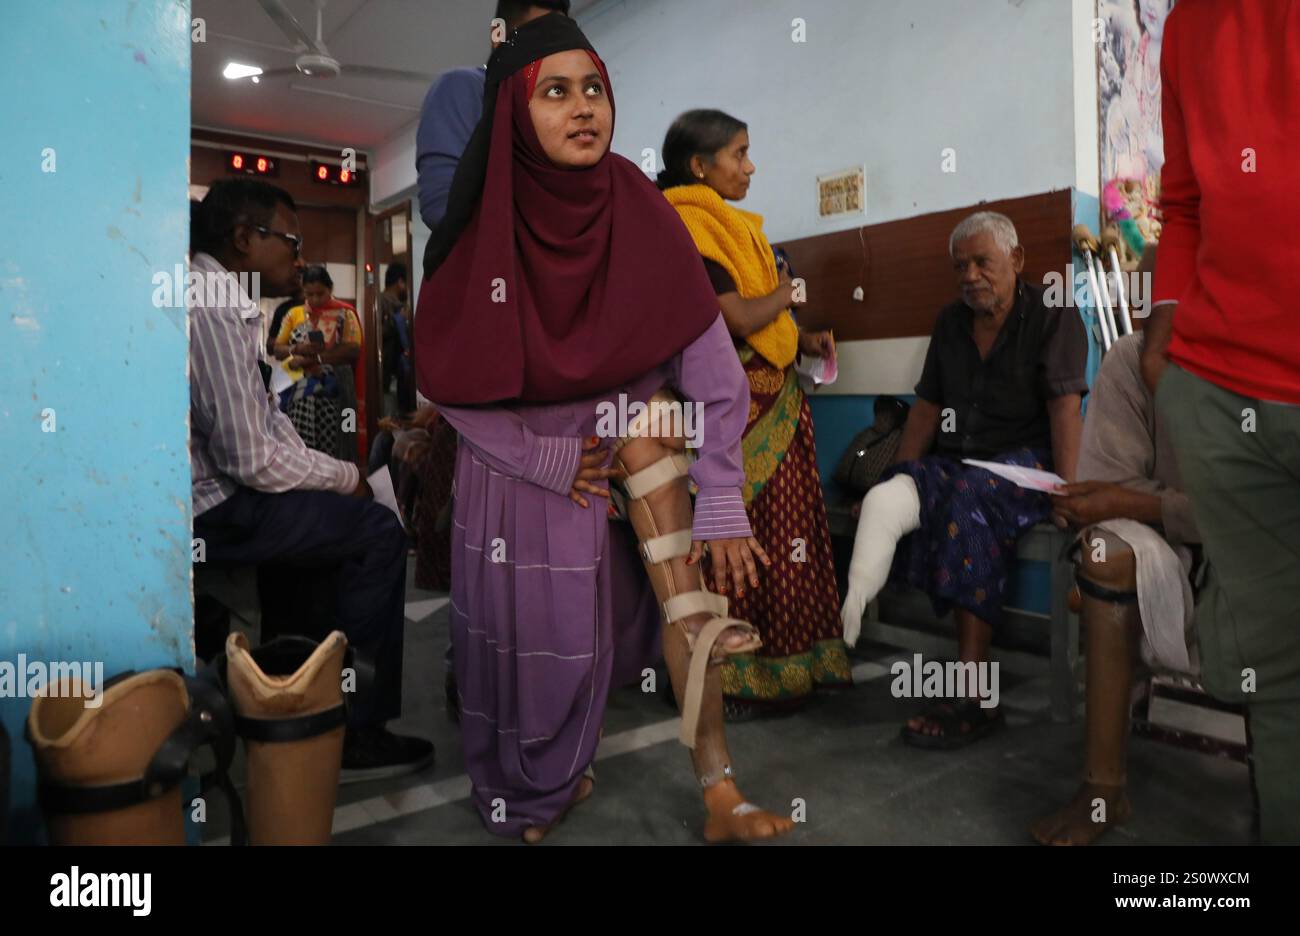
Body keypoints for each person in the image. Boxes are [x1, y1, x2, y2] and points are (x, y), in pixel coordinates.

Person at [414, 12, 794, 843]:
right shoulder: (483, 224)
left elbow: (712, 367)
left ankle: (721, 793)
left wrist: (722, 496)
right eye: (555, 92)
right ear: (515, 108)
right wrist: (543, 457)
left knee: (687, 591)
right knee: (532, 640)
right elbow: (450, 381)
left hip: (625, 414)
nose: (583, 108)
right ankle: (532, 781)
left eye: (594, 89)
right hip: (519, 450)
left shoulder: (638, 204)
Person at [189, 179, 432, 779]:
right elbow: (250, 458)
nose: (300, 260)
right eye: (291, 242)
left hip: (227, 493)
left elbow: (271, 425)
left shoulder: (224, 299)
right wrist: (347, 476)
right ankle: (359, 727)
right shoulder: (213, 305)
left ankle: (292, 701)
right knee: (376, 531)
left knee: (324, 535)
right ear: (245, 238)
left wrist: (326, 477)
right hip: (215, 507)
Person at [1140, 0, 1300, 844]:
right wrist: (1168, 334)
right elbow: (1186, 200)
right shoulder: (1188, 23)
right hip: (1222, 394)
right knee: (1278, 680)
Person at [840, 211, 1088, 747]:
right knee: (901, 493)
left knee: (967, 499)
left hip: (1028, 466)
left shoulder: (1053, 314)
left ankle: (975, 697)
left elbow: (1066, 408)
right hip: (964, 464)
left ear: (1016, 260)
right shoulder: (951, 322)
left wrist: (1069, 493)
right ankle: (854, 614)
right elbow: (926, 410)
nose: (970, 275)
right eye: (960, 266)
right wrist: (899, 477)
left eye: (982, 262)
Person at [658, 110, 850, 717]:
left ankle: (795, 662)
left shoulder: (734, 227)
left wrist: (804, 337)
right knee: (743, 543)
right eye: (739, 154)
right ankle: (739, 678)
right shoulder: (691, 227)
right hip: (734, 417)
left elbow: (763, 331)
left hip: (775, 401)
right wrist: (787, 290)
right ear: (699, 166)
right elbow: (736, 320)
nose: (750, 165)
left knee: (785, 536)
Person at [1030, 332, 1202, 844]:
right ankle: (1103, 790)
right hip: (1176, 542)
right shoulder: (1131, 357)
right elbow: (1108, 481)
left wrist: (1140, 503)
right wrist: (1127, 505)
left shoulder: (1264, 358)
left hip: (1263, 551)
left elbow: (1256, 504)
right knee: (1105, 553)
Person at [416, 0, 572, 231]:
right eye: (536, 38)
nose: (548, 51)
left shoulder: (554, 108)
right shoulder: (464, 87)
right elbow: (443, 208)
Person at [271, 266, 363, 462]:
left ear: (330, 289)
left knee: (338, 441)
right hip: (299, 393)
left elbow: (353, 349)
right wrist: (295, 350)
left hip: (336, 389)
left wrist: (319, 359)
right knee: (299, 444)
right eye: (309, 294)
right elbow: (277, 349)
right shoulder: (293, 314)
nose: (314, 299)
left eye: (320, 294)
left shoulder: (345, 314)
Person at [378, 262, 413, 415]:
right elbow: (377, 333)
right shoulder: (382, 302)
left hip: (396, 375)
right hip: (388, 374)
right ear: (400, 282)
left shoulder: (400, 305)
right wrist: (397, 320)